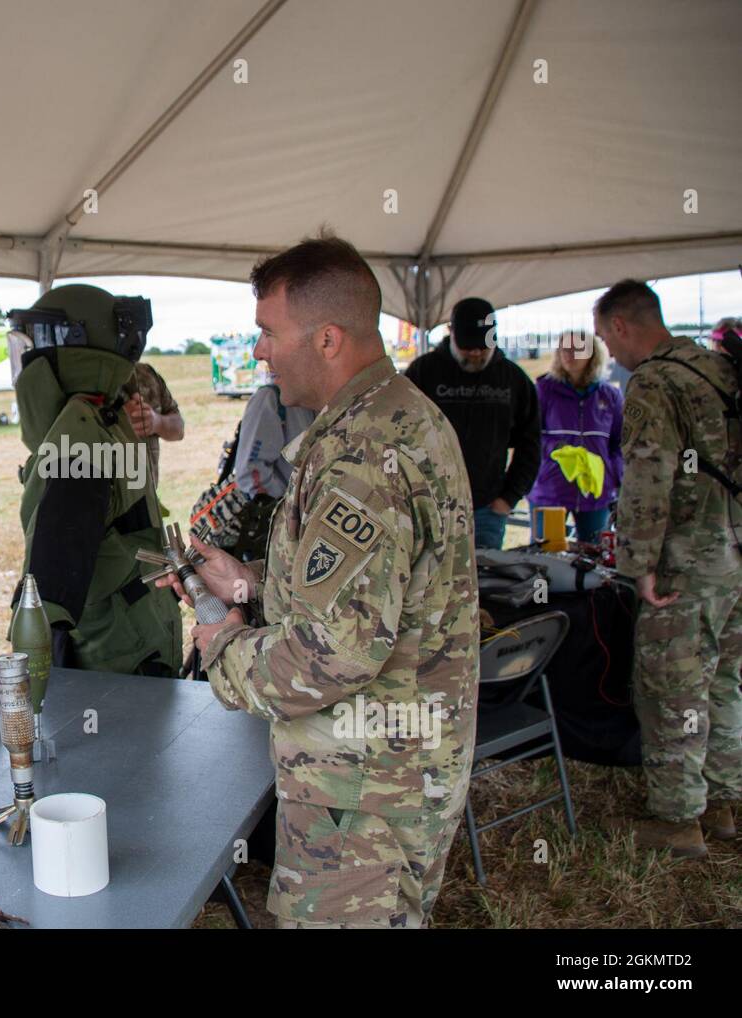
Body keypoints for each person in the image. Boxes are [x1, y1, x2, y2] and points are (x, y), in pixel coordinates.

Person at [164, 234, 479, 928]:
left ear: (328, 339)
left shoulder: (365, 454)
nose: (259, 352)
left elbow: (335, 653)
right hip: (387, 774)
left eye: (269, 333)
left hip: (363, 794)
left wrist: (222, 644)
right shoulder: (394, 417)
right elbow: (357, 598)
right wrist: (245, 582)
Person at [594, 279, 742, 857]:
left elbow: (648, 474)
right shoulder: (718, 367)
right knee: (725, 681)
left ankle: (679, 821)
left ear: (623, 326)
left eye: (606, 337)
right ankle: (725, 803)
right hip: (732, 555)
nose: (608, 350)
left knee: (672, 690)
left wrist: (638, 562)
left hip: (686, 563)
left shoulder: (655, 379)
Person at [7, 284, 182, 676]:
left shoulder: (78, 441)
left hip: (113, 659)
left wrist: (19, 683)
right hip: (142, 639)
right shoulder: (108, 416)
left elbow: (48, 601)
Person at [405, 297, 540, 549]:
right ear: (451, 333)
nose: (476, 353)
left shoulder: (513, 380)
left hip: (488, 508)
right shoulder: (423, 373)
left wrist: (508, 497)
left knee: (484, 584)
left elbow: (530, 444)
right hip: (431, 508)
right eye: (468, 346)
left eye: (482, 346)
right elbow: (398, 436)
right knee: (428, 584)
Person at [190, 383, 315, 560]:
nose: (259, 354)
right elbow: (250, 474)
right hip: (275, 527)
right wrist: (287, 506)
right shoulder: (270, 399)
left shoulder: (317, 399)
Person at [527, 331, 623, 543]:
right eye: (564, 349)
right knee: (546, 554)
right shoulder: (544, 391)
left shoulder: (610, 396)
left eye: (576, 349)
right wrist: (559, 449)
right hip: (551, 492)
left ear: (592, 354)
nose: (569, 355)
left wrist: (614, 478)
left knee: (593, 557)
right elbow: (529, 438)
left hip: (596, 494)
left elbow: (619, 444)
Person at [122, 360, 184, 485]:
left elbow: (179, 430)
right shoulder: (79, 379)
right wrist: (118, 420)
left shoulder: (146, 374)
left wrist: (157, 422)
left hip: (147, 496)